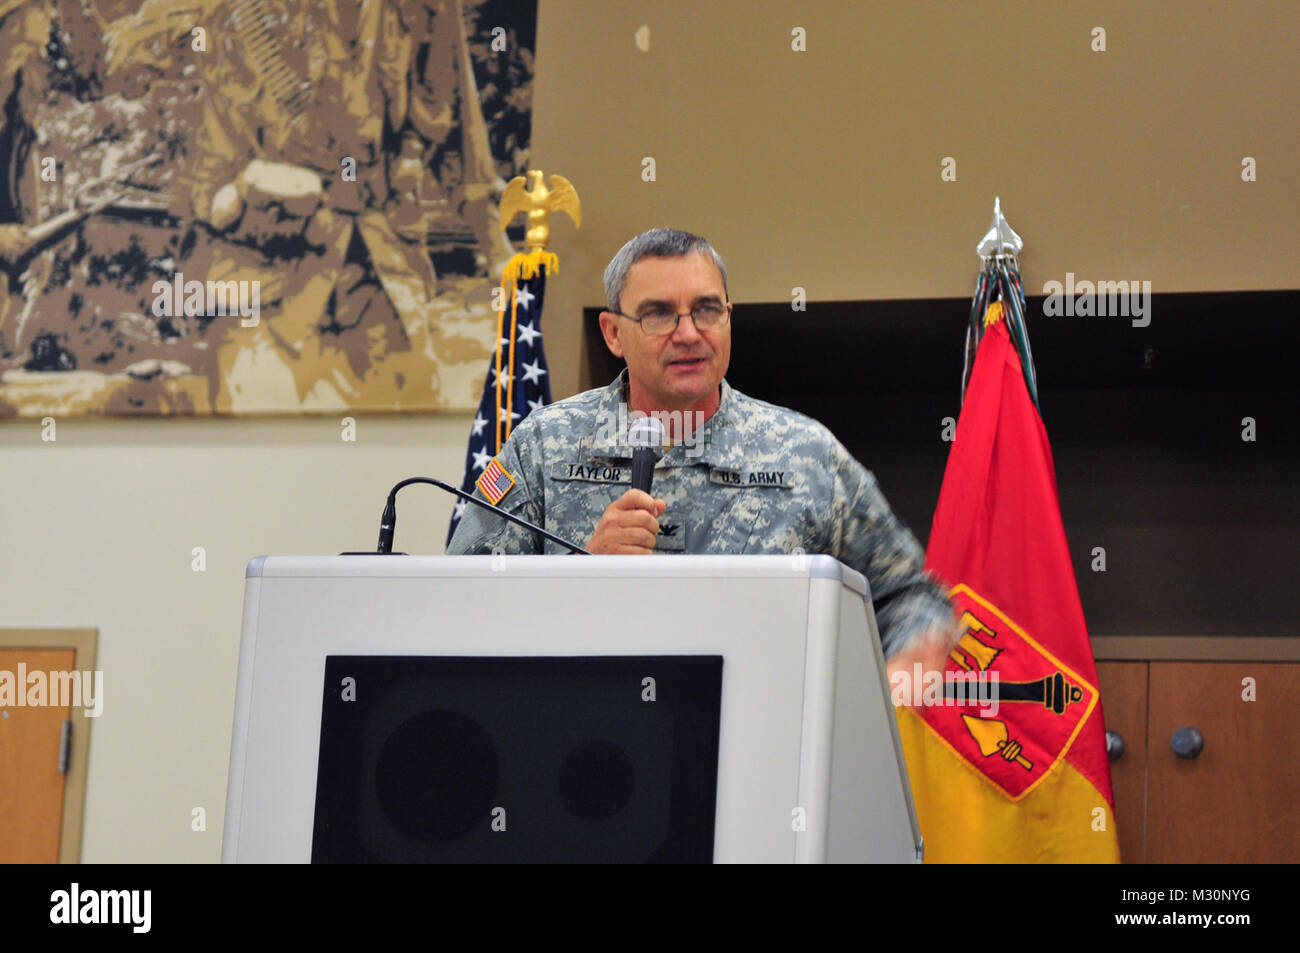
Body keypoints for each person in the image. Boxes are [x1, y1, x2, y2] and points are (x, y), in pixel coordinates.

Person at [447, 227, 957, 675]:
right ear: (613, 334)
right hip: (584, 755)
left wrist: (903, 668)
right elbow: (458, 609)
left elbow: (909, 596)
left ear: (728, 317)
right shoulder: (544, 447)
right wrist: (579, 578)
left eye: (707, 310)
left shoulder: (806, 456)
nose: (688, 333)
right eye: (658, 314)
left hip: (763, 751)